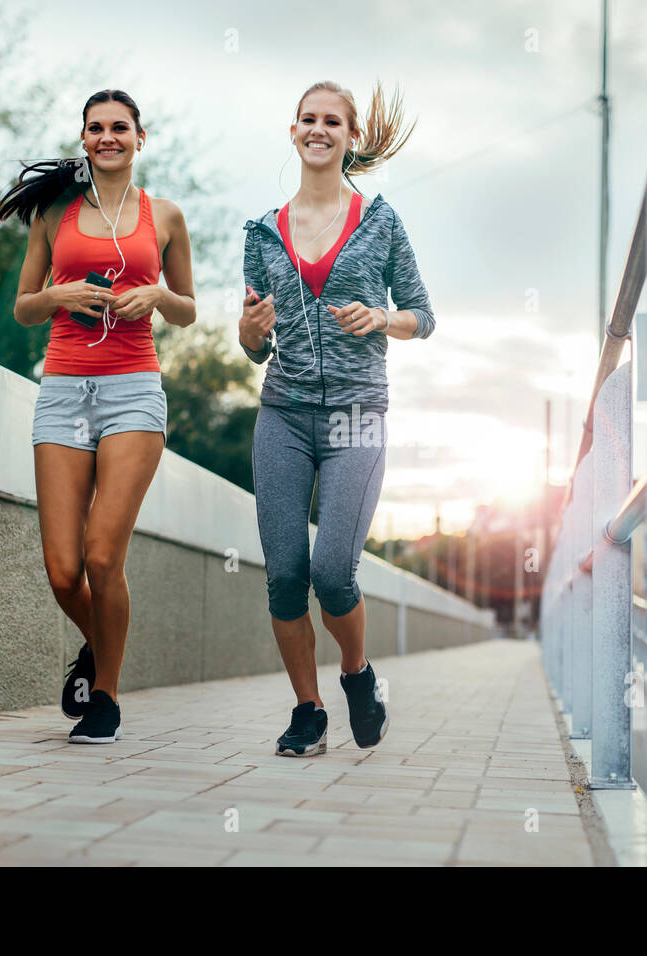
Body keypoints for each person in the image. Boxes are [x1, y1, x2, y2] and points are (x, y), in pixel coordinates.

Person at [238, 80, 435, 756]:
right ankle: (307, 711)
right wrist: (247, 328)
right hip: (284, 414)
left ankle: (356, 673)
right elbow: (252, 345)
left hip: (357, 415)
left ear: (350, 138)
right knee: (285, 572)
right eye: (306, 120)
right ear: (292, 133)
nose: (317, 129)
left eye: (331, 121)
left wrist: (382, 317)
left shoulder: (380, 222)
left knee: (333, 571)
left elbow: (423, 316)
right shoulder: (262, 232)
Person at [0, 89, 196, 743]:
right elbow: (22, 307)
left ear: (140, 137)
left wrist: (157, 296)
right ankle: (98, 646)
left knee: (103, 556)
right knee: (62, 569)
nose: (107, 136)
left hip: (133, 390)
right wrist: (60, 292)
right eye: (95, 128)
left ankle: (104, 696)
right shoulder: (54, 214)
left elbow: (188, 308)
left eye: (119, 127)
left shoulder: (164, 216)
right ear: (84, 141)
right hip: (62, 390)